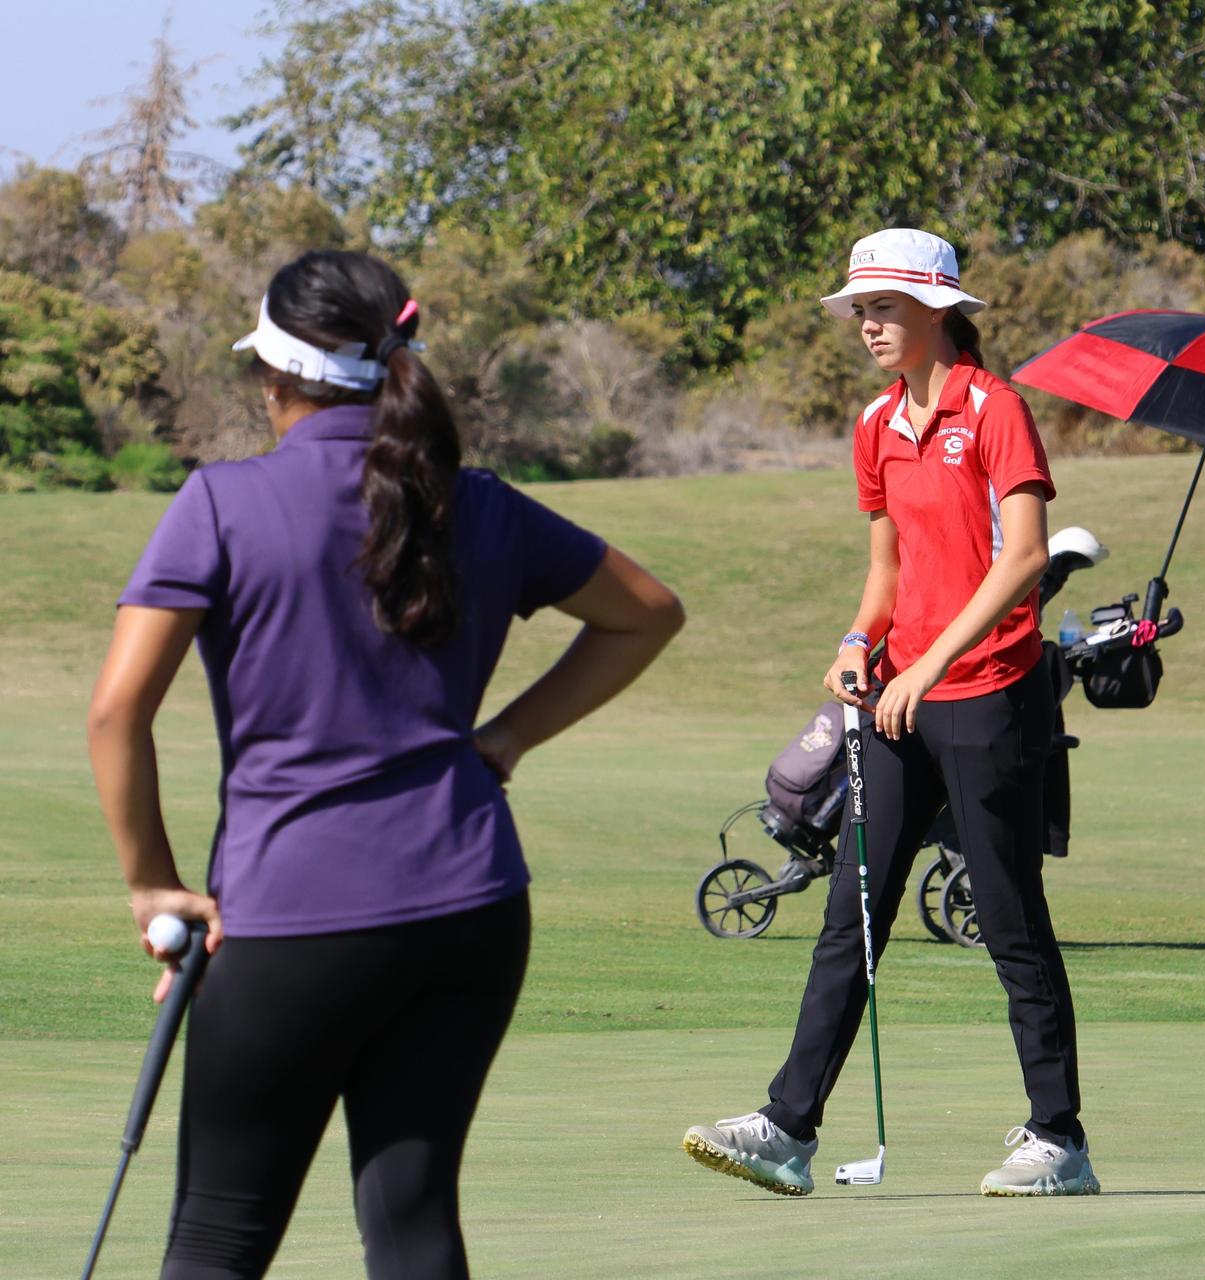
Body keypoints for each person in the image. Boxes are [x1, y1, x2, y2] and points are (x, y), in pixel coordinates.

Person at [88, 249, 684, 1278]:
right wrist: (506, 737)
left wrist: (152, 885)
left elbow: (115, 711)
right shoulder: (481, 502)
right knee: (411, 1219)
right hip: (470, 907)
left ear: (275, 375)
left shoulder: (221, 502)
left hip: (294, 913)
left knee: (218, 1236)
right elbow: (647, 613)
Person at [683, 228, 1097, 1196]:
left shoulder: (993, 409)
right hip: (898, 698)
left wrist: (933, 662)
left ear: (937, 311)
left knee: (1009, 918)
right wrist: (853, 642)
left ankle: (1059, 1139)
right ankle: (787, 1128)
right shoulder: (875, 424)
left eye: (885, 308)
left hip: (990, 694)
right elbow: (887, 568)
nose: (868, 325)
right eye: (861, 310)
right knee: (851, 920)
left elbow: (1025, 557)